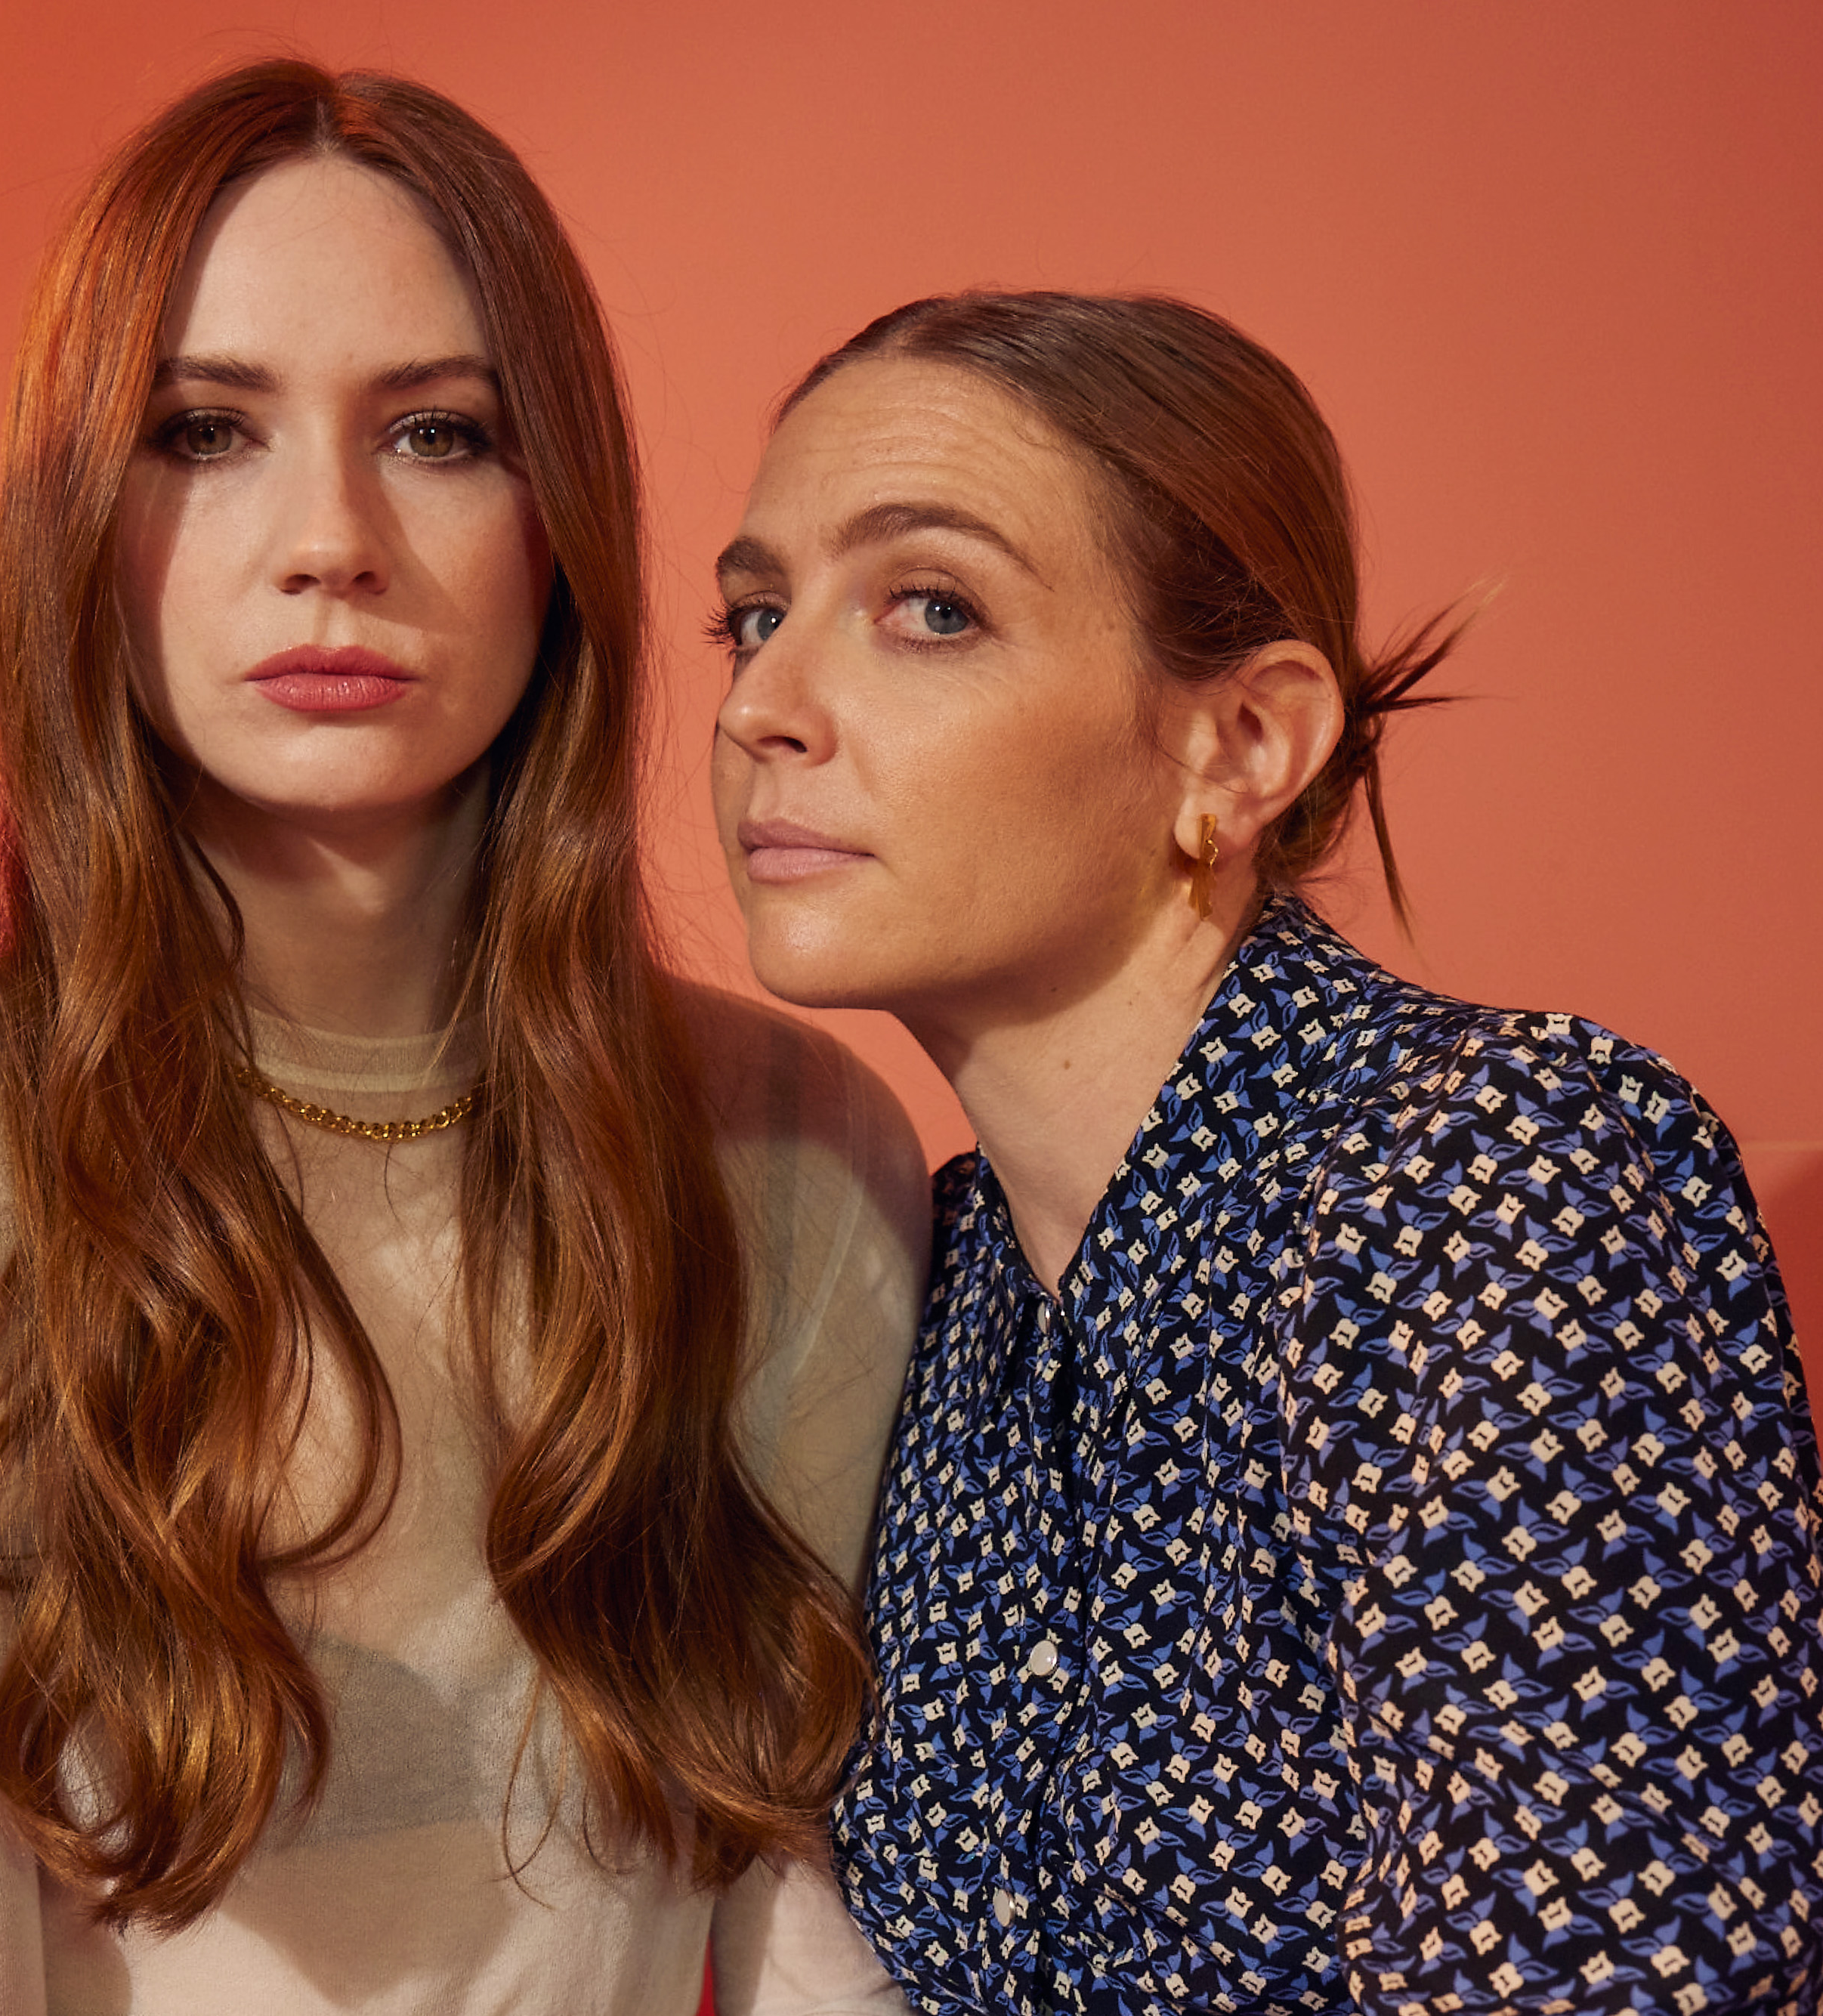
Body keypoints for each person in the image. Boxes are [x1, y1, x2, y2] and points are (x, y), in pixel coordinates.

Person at [0, 60, 922, 2015]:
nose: (332, 537)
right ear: (86, 516)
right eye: (208, 431)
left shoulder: (799, 1152)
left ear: (559, 523)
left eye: (439, 432)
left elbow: (793, 1920)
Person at [707, 287, 1821, 2011]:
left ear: (1237, 744)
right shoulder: (938, 1285)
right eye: (754, 612)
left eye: (927, 606)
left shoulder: (1490, 1177)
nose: (762, 702)